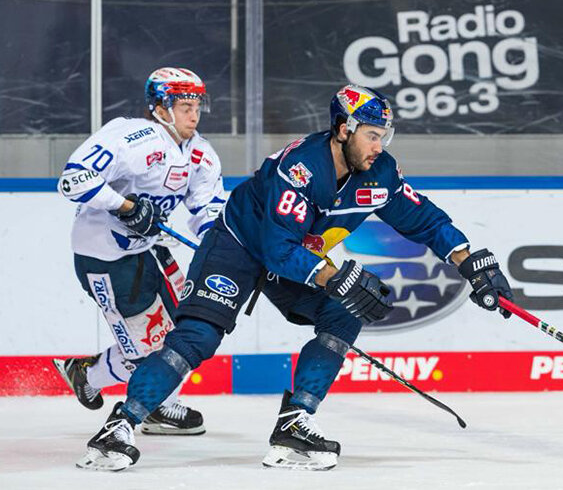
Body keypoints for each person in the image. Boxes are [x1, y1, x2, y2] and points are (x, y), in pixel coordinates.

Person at [76, 84, 514, 471]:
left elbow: (423, 220)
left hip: (295, 255)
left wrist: (468, 260)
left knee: (343, 315)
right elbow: (276, 248)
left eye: (384, 136)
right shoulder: (301, 168)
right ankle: (121, 426)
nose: (379, 145)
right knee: (198, 337)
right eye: (372, 134)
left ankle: (295, 423)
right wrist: (334, 275)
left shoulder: (378, 173)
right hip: (239, 246)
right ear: (343, 128)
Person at [56, 67, 225, 445]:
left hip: (150, 249)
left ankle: (161, 402)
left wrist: (221, 247)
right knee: (148, 349)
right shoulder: (130, 137)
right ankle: (87, 374)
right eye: (184, 105)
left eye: (197, 105)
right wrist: (125, 206)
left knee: (185, 329)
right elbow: (73, 178)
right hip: (105, 255)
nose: (193, 114)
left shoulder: (200, 153)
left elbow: (206, 208)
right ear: (160, 108)